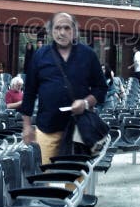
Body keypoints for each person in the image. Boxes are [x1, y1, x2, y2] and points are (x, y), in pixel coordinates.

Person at [20, 12, 107, 163]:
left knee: (77, 181)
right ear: (51, 31)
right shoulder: (40, 56)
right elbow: (29, 93)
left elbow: (101, 88)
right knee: (42, 178)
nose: (62, 32)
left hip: (79, 129)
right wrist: (27, 127)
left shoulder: (88, 55)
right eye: (57, 28)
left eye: (67, 28)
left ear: (74, 31)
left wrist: (85, 103)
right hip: (47, 128)